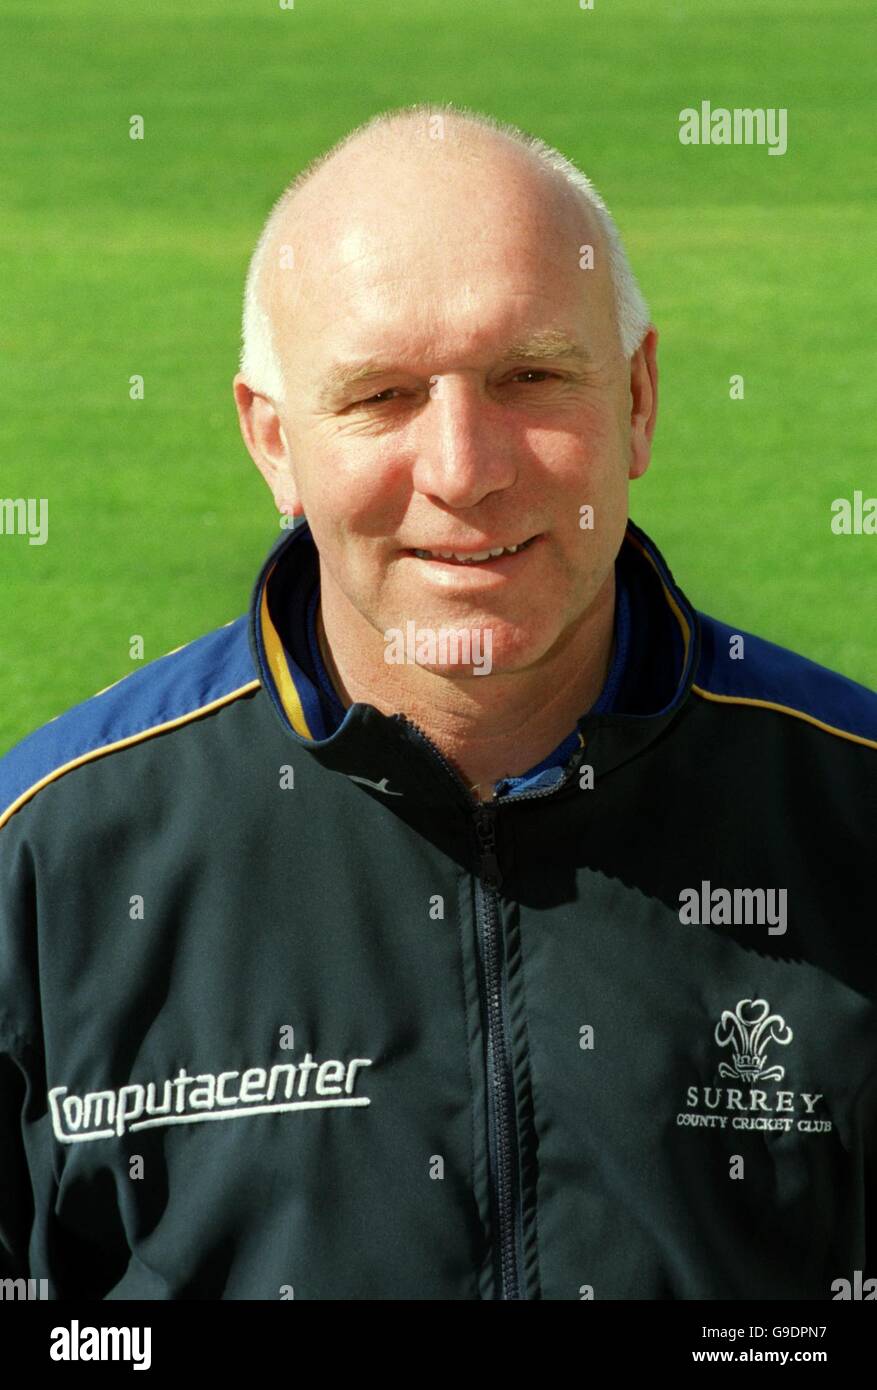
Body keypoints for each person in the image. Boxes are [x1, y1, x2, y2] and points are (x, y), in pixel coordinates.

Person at [0, 104, 874, 1301]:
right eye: (381, 397)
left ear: (638, 398)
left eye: (530, 375)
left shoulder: (852, 812)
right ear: (273, 444)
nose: (464, 468)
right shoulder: (44, 863)